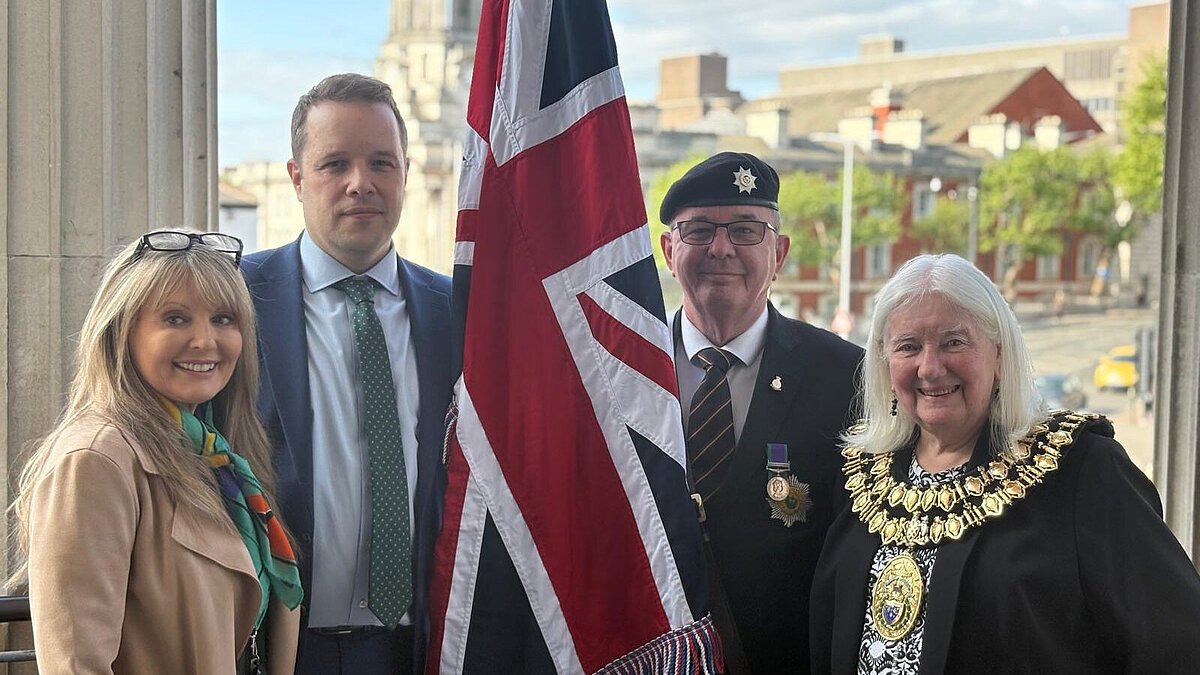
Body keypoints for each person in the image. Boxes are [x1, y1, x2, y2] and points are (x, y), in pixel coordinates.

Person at [811, 253, 1200, 673]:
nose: (930, 367)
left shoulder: (1082, 468)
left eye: (953, 342)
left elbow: (1177, 644)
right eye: (908, 347)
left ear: (998, 354)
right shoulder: (861, 479)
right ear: (885, 364)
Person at [12, 230, 302, 674]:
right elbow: (76, 665)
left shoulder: (218, 454)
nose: (205, 341)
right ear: (121, 332)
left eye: (223, 319)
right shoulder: (95, 460)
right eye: (175, 319)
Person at [241, 73, 452, 675]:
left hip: (417, 651)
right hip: (275, 648)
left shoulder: (457, 312)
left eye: (382, 163)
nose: (362, 183)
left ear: (406, 173)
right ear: (296, 178)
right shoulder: (233, 300)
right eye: (335, 163)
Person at [658, 152, 863, 673]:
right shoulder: (622, 368)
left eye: (747, 230)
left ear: (780, 253)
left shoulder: (846, 377)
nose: (721, 248)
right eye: (698, 230)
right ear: (667, 249)